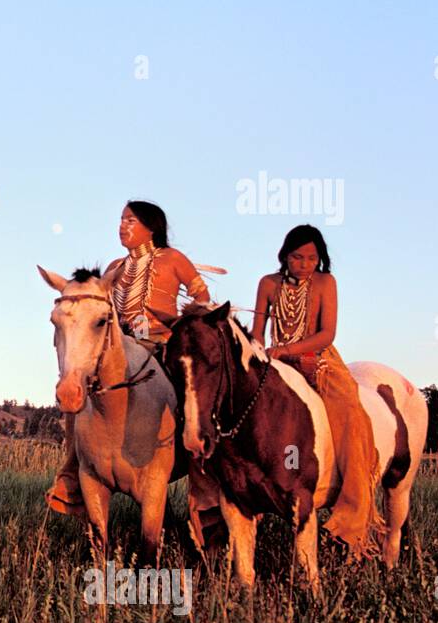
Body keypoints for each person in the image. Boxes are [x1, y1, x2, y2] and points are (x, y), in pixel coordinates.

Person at [45, 200, 212, 518]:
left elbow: (201, 298)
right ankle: (72, 473)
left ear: (151, 227)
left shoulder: (173, 259)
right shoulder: (114, 267)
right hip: (121, 346)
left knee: (195, 391)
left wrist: (177, 322)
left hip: (162, 343)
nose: (122, 226)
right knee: (78, 387)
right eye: (121, 220)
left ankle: (206, 479)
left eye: (131, 220)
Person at [251, 224, 380, 556]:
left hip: (318, 359)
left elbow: (327, 334)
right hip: (274, 359)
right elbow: (258, 332)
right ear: (285, 255)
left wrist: (287, 351)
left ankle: (351, 516)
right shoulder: (268, 283)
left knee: (349, 410)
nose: (305, 264)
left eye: (311, 258)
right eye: (297, 257)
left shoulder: (325, 282)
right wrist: (259, 353)